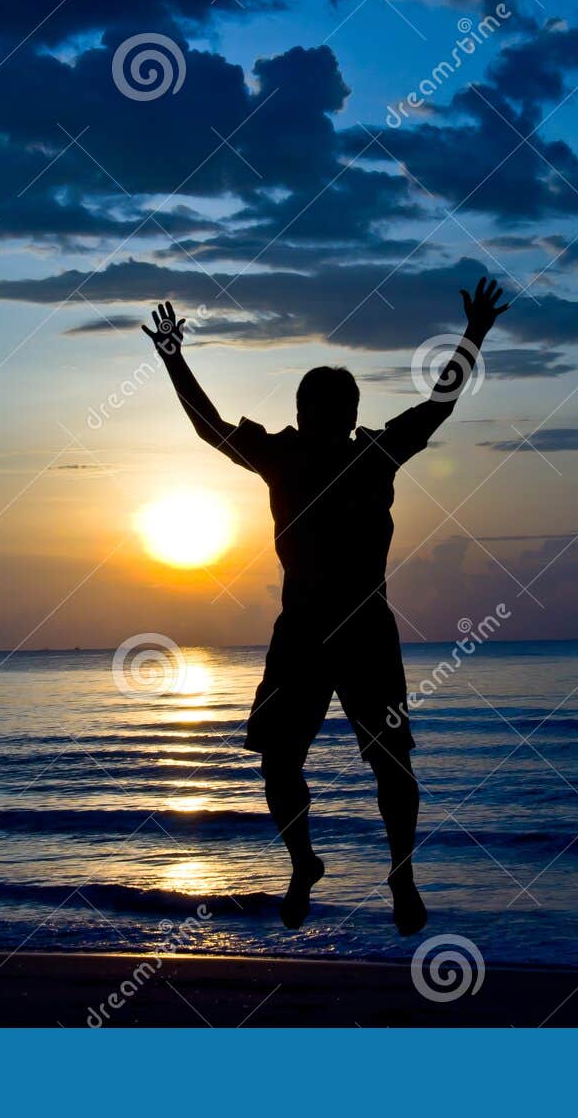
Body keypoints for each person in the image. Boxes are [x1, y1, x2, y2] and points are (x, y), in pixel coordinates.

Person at [142, 278, 509, 935]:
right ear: (304, 412)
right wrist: (173, 359)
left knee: (391, 757)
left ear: (345, 414)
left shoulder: (373, 453)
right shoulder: (283, 454)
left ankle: (401, 874)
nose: (326, 418)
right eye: (319, 408)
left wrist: (476, 333)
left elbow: (439, 403)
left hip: (365, 628)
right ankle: (304, 861)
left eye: (335, 408)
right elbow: (210, 428)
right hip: (304, 632)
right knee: (280, 761)